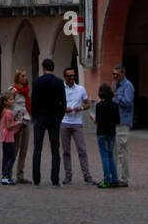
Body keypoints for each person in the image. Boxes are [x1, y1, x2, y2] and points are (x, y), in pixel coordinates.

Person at [30, 57, 67, 186]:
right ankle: (55, 180)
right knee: (55, 149)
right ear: (53, 68)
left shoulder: (38, 81)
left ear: (43, 68)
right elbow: (63, 103)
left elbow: (33, 101)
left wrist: (34, 117)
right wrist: (59, 117)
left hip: (40, 118)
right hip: (54, 118)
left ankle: (36, 179)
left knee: (37, 149)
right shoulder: (59, 82)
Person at [60, 67, 95, 184]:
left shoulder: (81, 89)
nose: (72, 78)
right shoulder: (60, 89)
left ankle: (87, 175)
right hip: (65, 121)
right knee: (66, 151)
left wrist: (79, 108)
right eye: (69, 76)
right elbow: (57, 104)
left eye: (73, 75)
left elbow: (87, 104)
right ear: (65, 77)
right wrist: (64, 109)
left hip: (77, 122)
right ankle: (68, 175)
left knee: (82, 150)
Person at [91, 82, 120, 188]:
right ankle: (115, 179)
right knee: (111, 155)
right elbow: (117, 121)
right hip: (112, 133)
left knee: (104, 156)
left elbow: (97, 121)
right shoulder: (115, 105)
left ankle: (107, 180)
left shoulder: (99, 106)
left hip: (102, 132)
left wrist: (93, 117)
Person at [112, 64, 134, 186]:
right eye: (113, 74)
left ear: (123, 74)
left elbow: (128, 103)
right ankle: (114, 176)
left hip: (123, 122)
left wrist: (116, 96)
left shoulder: (128, 86)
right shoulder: (115, 85)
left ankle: (124, 178)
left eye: (117, 74)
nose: (115, 76)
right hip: (114, 121)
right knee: (114, 151)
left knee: (122, 151)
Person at [12, 69, 32, 183]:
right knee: (15, 149)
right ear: (17, 77)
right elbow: (10, 105)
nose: (25, 78)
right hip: (17, 122)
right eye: (22, 76)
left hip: (27, 120)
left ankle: (20, 174)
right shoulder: (14, 90)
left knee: (24, 149)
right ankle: (8, 173)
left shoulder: (26, 90)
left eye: (25, 76)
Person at [0, 89, 23, 184]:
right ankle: (5, 175)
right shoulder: (8, 112)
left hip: (4, 137)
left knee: (5, 157)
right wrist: (18, 122)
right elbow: (9, 126)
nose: (13, 101)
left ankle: (4, 175)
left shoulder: (3, 111)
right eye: (11, 99)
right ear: (5, 102)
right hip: (8, 138)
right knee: (11, 157)